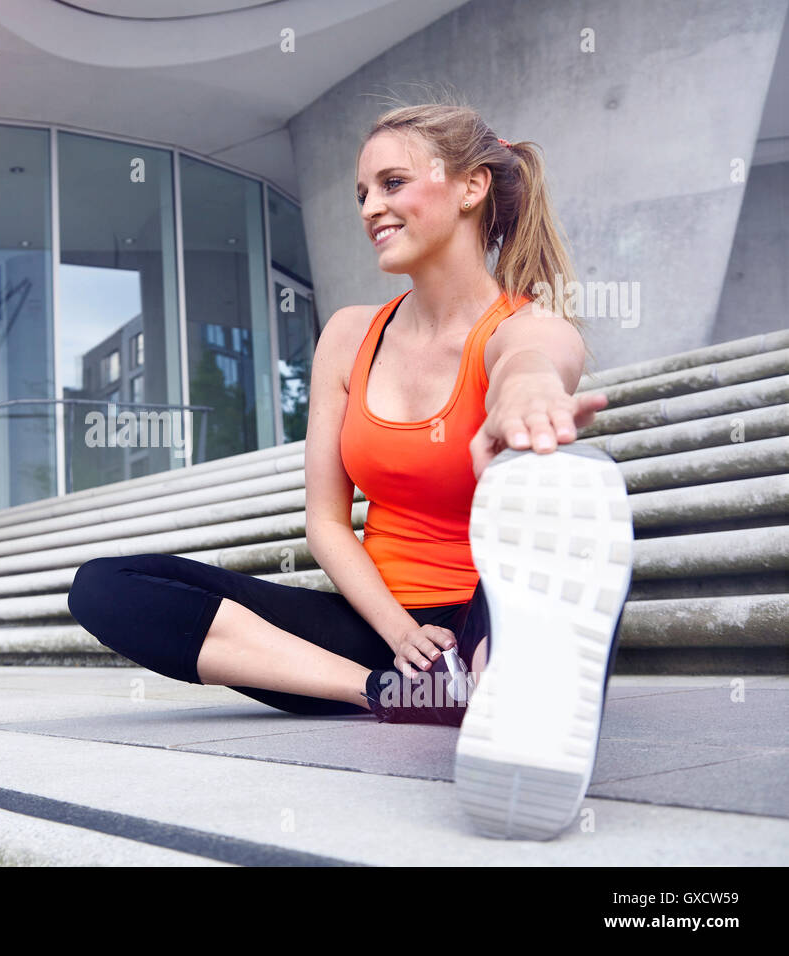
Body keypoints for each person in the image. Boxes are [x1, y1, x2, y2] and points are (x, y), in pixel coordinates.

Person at [67, 100, 632, 840]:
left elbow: (533, 362)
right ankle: (402, 696)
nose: (372, 208)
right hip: (380, 633)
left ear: (469, 187)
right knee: (106, 586)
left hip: (484, 610)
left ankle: (507, 679)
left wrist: (526, 396)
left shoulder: (526, 327)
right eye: (363, 193)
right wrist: (396, 642)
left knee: (560, 505)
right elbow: (326, 522)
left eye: (393, 183)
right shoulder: (349, 334)